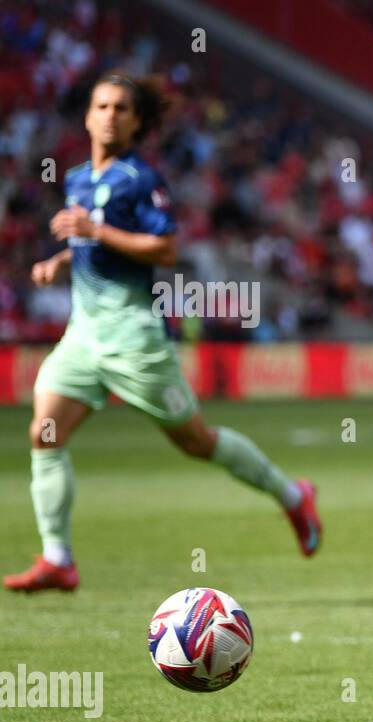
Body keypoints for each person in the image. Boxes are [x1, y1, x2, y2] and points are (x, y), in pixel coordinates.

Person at [4, 74, 320, 594]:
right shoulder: (79, 178)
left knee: (196, 440)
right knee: (45, 434)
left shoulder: (140, 177)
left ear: (138, 121)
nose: (110, 114)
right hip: (83, 335)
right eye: (101, 105)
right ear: (86, 116)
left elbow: (166, 249)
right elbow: (94, 248)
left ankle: (292, 497)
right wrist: (63, 261)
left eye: (122, 108)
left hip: (134, 337)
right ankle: (59, 558)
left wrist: (94, 232)